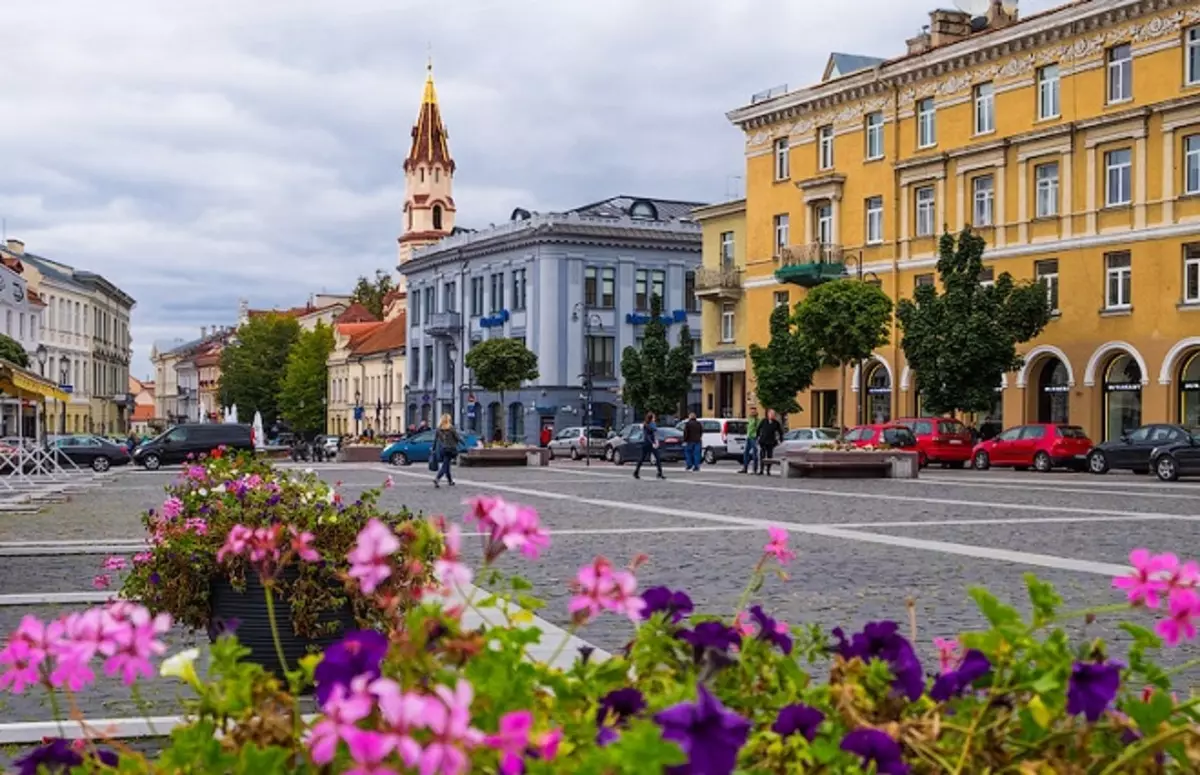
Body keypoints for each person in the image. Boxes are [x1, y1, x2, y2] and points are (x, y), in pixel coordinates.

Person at [633, 411, 665, 480]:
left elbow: (655, 433)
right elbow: (647, 436)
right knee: (642, 458)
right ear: (651, 418)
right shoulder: (646, 425)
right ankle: (636, 472)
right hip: (647, 443)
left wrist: (656, 441)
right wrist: (652, 442)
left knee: (658, 458)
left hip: (652, 443)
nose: (655, 418)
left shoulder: (653, 424)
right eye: (653, 417)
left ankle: (660, 473)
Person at [433, 413, 461, 488]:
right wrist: (462, 443)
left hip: (443, 449)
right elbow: (457, 437)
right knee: (445, 465)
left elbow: (435, 440)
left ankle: (450, 481)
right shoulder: (451, 428)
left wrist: (433, 449)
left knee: (447, 464)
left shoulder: (438, 429)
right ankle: (437, 478)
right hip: (451, 449)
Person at [756, 409, 783, 475]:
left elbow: (780, 432)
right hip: (763, 441)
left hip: (771, 441)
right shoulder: (764, 421)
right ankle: (761, 470)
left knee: (769, 455)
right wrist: (758, 436)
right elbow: (758, 429)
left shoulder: (776, 423)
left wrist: (780, 439)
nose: (772, 415)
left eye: (773, 414)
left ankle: (768, 470)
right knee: (762, 455)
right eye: (771, 414)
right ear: (768, 414)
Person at [740, 408, 760, 474]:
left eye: (753, 412)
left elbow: (758, 429)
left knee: (754, 454)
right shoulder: (750, 419)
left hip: (754, 438)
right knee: (746, 453)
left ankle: (755, 469)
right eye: (751, 411)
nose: (752, 413)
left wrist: (756, 436)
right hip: (749, 437)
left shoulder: (757, 420)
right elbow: (748, 427)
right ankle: (745, 468)